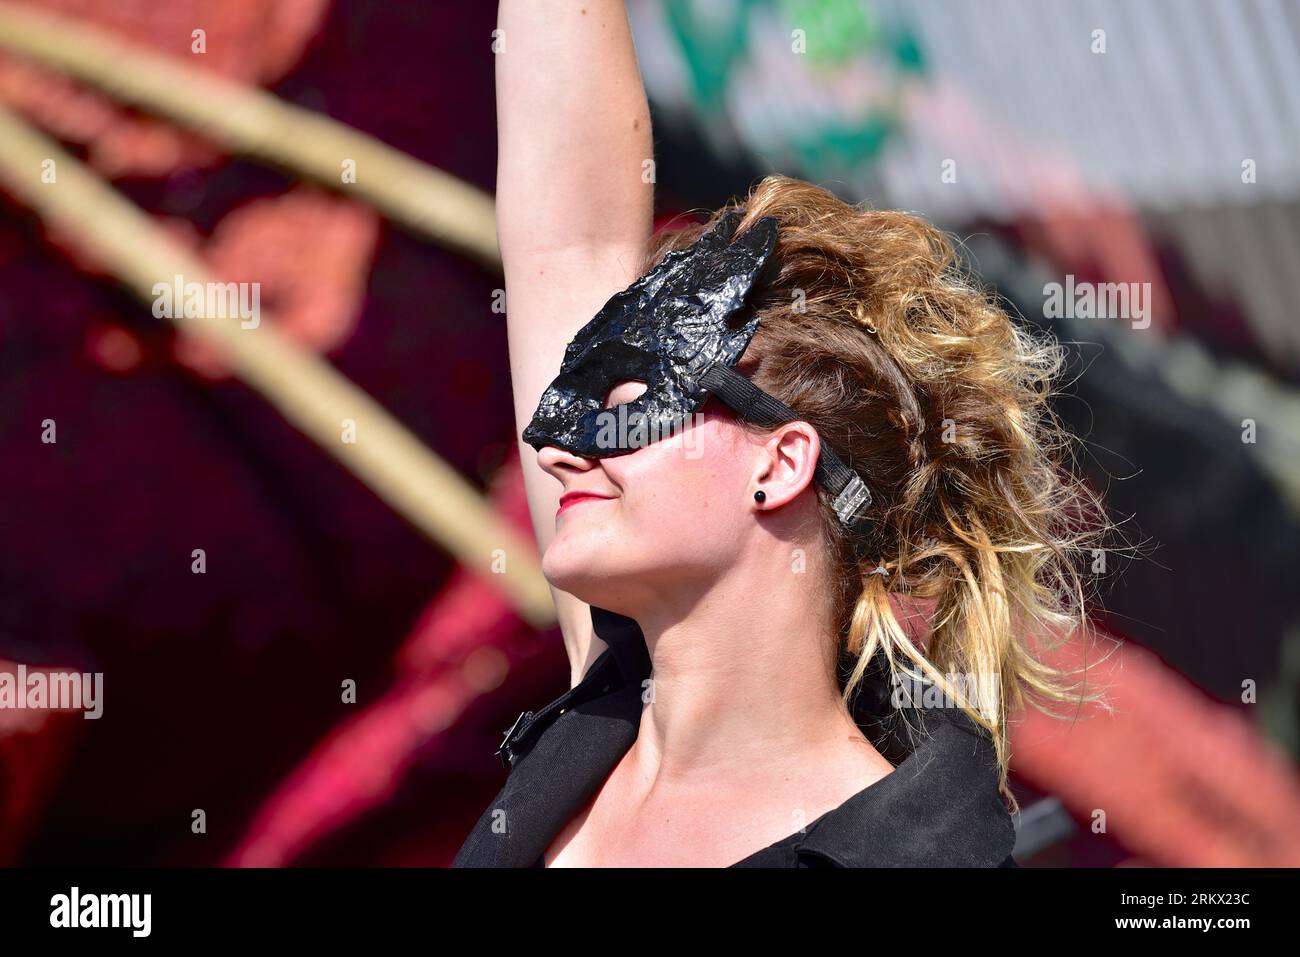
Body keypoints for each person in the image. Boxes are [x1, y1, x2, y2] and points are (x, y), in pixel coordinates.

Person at [454, 0, 1107, 868]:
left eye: (630, 403)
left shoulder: (902, 856)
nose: (560, 445)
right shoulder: (598, 719)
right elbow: (571, 242)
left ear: (782, 460)